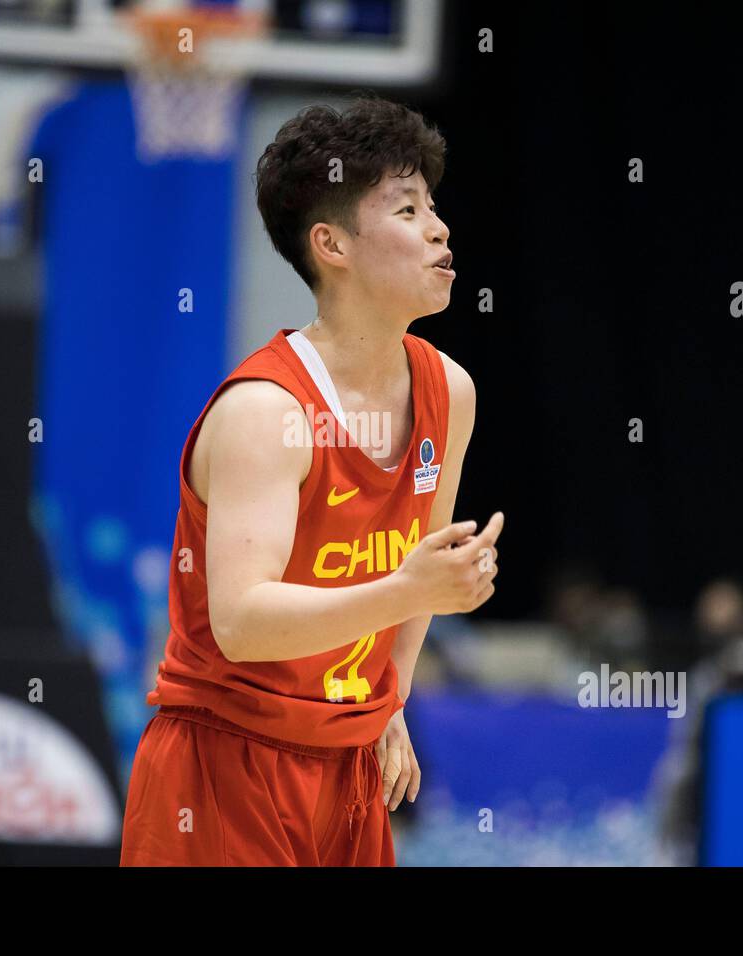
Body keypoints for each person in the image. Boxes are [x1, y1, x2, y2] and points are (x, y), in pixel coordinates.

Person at [119, 96, 503, 866]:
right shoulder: (267, 411)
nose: (440, 229)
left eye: (433, 206)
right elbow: (242, 619)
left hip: (346, 763)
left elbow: (420, 568)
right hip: (226, 764)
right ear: (331, 244)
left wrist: (385, 700)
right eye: (406, 208)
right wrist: (414, 589)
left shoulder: (449, 392)